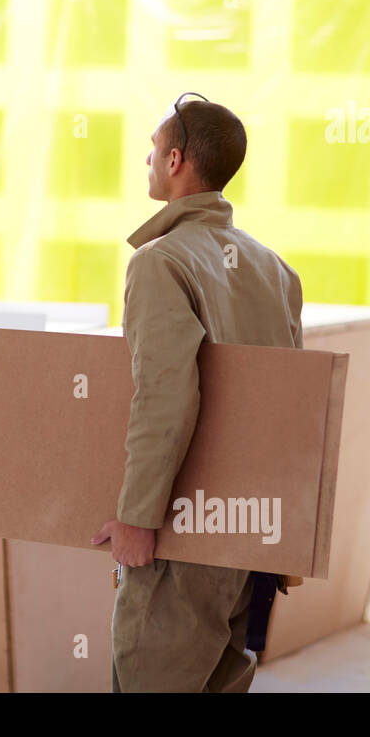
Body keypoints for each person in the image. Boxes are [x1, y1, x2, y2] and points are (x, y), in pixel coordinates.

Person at [90, 93, 303, 693]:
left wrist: (137, 518)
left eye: (154, 152)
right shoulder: (274, 270)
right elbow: (293, 408)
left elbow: (165, 397)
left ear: (177, 160)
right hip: (251, 532)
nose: (149, 161)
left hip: (185, 534)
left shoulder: (162, 263)